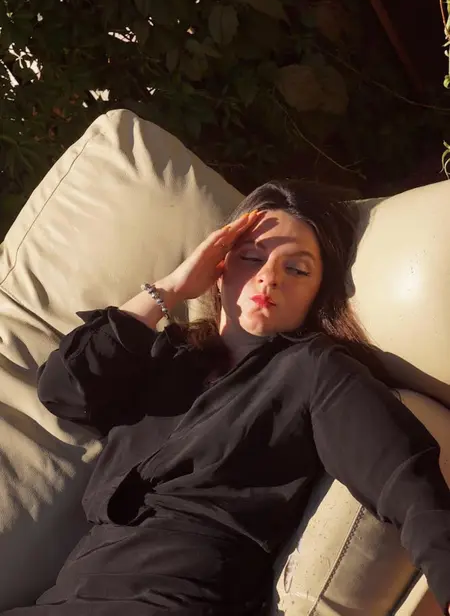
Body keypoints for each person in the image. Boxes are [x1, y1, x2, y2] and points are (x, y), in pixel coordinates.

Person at [3, 181, 449, 616]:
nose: (269, 277)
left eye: (297, 269)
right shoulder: (165, 356)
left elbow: (405, 481)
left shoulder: (315, 370)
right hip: (67, 597)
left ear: (318, 292)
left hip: (177, 597)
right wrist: (171, 288)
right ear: (219, 267)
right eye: (250, 257)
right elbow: (63, 390)